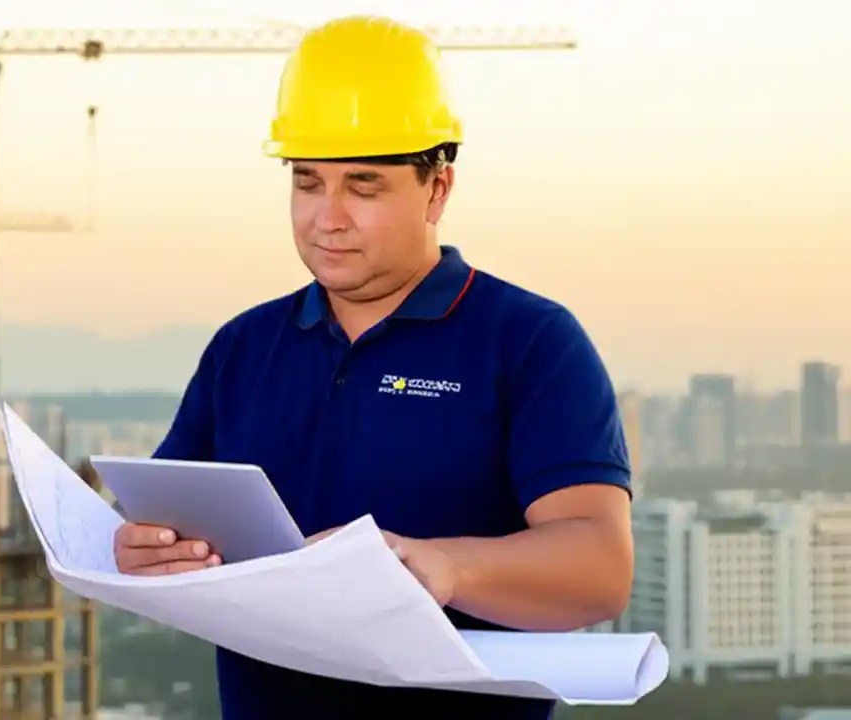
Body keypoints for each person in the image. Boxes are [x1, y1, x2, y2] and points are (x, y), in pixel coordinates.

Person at [112, 14, 634, 720]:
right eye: (307, 183)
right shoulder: (243, 348)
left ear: (437, 190)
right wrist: (144, 551)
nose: (327, 218)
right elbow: (168, 522)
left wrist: (443, 568)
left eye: (363, 186)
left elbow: (599, 569)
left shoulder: (529, 342)